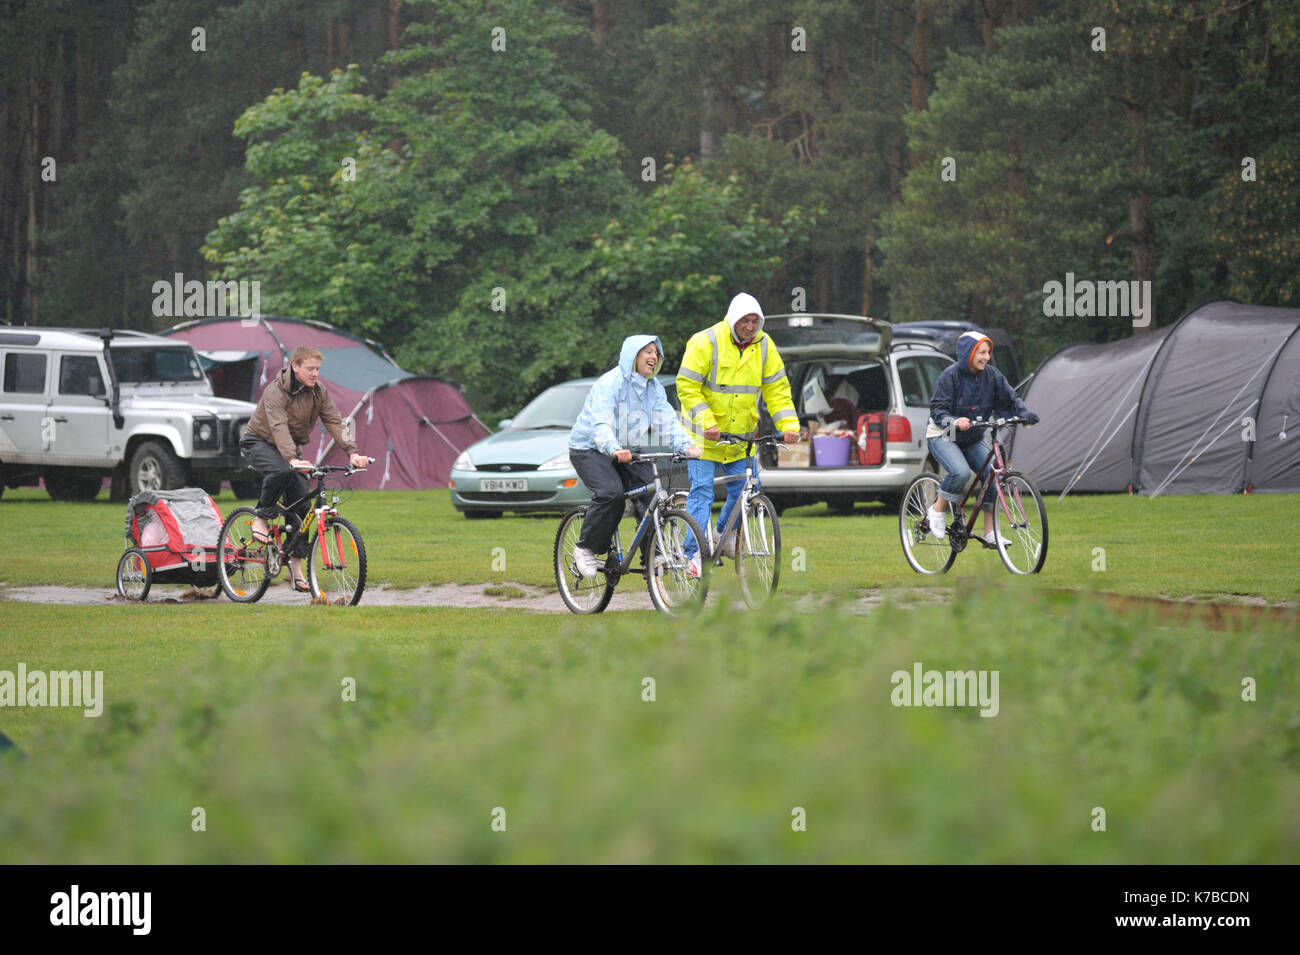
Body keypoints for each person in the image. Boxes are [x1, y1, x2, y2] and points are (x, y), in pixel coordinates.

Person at [676, 292, 800, 576]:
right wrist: (707, 422)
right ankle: (692, 555)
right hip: (702, 438)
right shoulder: (704, 342)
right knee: (703, 492)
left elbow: (778, 391)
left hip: (740, 439)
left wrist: (790, 426)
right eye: (745, 320)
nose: (750, 326)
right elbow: (686, 386)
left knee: (750, 488)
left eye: (756, 320)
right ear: (733, 320)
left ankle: (723, 535)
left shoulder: (765, 346)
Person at [568, 335, 701, 577]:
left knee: (653, 493)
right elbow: (600, 422)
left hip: (627, 451)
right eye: (647, 351)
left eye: (656, 353)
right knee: (611, 493)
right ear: (633, 355)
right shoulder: (610, 383)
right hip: (590, 448)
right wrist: (612, 448)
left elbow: (667, 420)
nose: (653, 357)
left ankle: (653, 554)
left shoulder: (654, 388)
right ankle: (585, 549)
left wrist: (685, 446)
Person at [240, 346, 370, 592]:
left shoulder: (319, 392)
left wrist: (353, 452)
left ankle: (296, 571)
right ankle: (260, 518)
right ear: (295, 366)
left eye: (318, 369)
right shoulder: (275, 391)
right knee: (280, 471)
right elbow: (278, 426)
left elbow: (334, 420)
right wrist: (292, 458)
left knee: (302, 509)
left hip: (289, 449)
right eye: (310, 369)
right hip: (259, 441)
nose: (315, 374)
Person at [925, 331, 1039, 546]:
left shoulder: (992, 375)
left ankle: (990, 532)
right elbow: (938, 410)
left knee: (993, 477)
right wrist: (955, 420)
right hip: (944, 434)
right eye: (981, 352)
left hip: (973, 436)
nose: (986, 357)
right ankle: (936, 510)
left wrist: (1024, 415)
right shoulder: (950, 376)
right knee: (959, 472)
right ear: (969, 353)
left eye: (988, 352)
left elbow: (1009, 399)